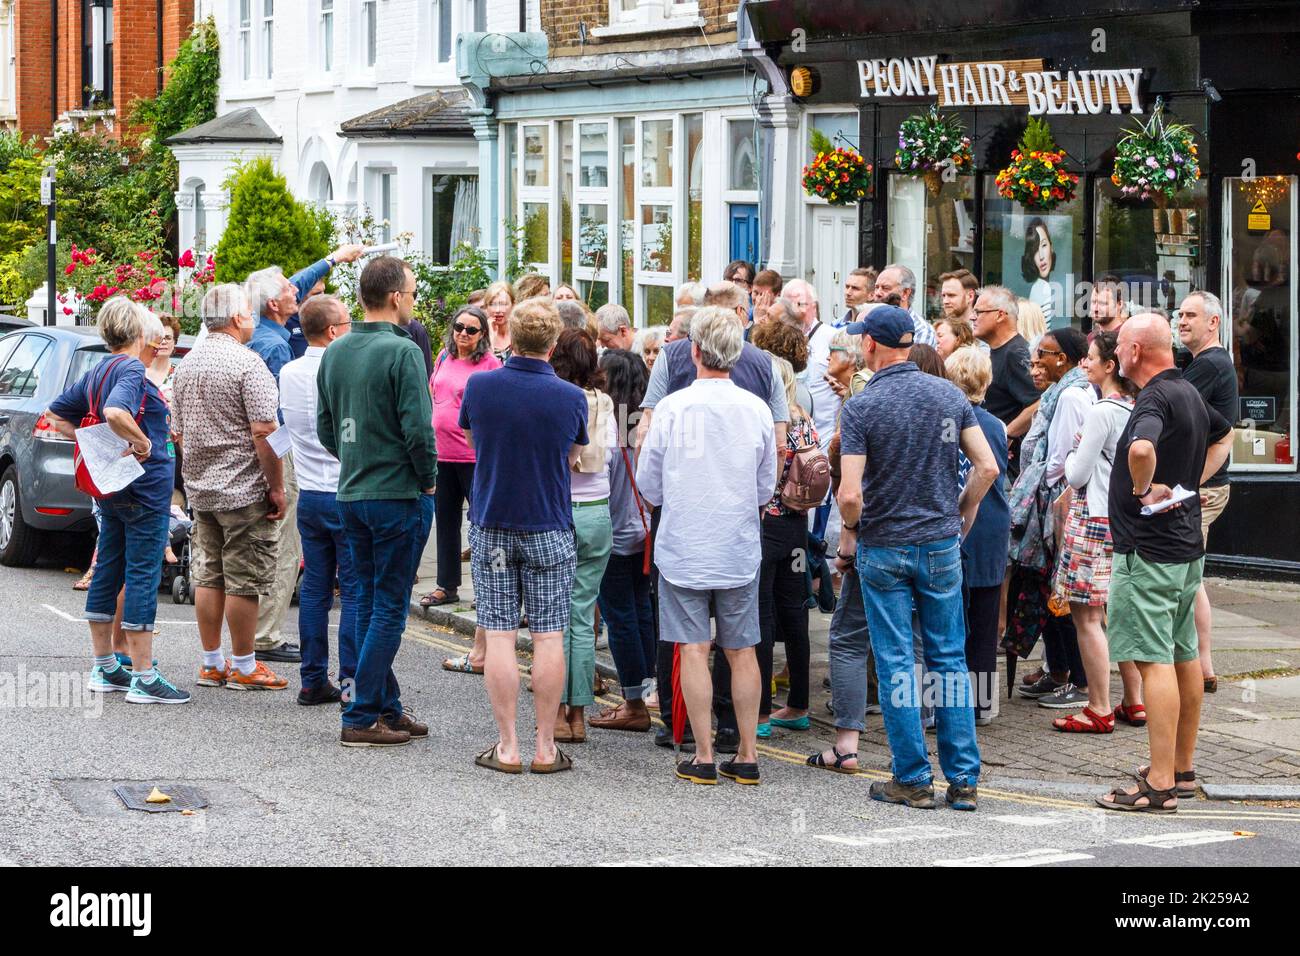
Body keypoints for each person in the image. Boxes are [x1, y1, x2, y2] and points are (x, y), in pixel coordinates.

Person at [819, 305, 998, 809]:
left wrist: (851, 531)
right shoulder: (948, 394)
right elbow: (985, 467)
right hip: (940, 545)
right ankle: (964, 781)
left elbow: (850, 494)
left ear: (871, 346)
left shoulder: (861, 407)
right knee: (950, 659)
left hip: (884, 546)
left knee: (897, 662)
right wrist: (959, 517)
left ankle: (913, 778)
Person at [1096, 314, 1233, 813]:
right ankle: (1181, 767)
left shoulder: (1153, 397)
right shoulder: (1189, 391)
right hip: (1184, 547)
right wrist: (1192, 481)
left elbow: (1140, 447)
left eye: (1121, 346)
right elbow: (1226, 434)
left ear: (1133, 351)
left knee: (1154, 660)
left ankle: (1158, 784)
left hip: (1147, 550)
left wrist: (1139, 489)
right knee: (1184, 655)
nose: (1117, 354)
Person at [640, 300, 789, 752]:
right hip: (738, 546)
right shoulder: (758, 410)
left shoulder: (671, 408)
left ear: (695, 351)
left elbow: (650, 483)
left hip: (684, 543)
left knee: (693, 649)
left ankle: (703, 754)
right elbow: (767, 485)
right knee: (742, 651)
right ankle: (746, 753)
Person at [460, 297, 589, 774]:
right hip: (549, 524)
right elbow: (574, 455)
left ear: (510, 337)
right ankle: (545, 748)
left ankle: (508, 746)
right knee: (549, 636)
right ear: (553, 345)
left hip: (493, 524)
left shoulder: (481, 386)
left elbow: (474, 443)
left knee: (498, 634)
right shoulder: (572, 398)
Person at [317, 256, 438, 748]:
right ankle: (363, 714)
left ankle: (384, 706)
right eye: (411, 292)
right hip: (396, 494)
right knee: (390, 606)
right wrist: (427, 478)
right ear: (394, 297)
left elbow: (327, 427)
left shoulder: (336, 350)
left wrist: (356, 455)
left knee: (364, 601)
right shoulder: (403, 352)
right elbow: (418, 430)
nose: (412, 300)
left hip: (351, 492)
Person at [47, 299, 187, 704]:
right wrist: (140, 441)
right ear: (139, 333)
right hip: (143, 489)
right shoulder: (129, 368)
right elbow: (114, 411)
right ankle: (143, 675)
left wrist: (96, 445)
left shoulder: (99, 369)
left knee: (108, 568)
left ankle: (106, 666)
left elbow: (56, 415)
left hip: (112, 487)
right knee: (142, 574)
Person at [171, 284, 289, 694]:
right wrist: (276, 486)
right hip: (243, 490)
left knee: (208, 574)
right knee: (245, 578)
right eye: (249, 313)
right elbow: (264, 430)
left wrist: (195, 474)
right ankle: (244, 665)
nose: (253, 319)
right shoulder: (248, 364)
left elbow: (178, 433)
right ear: (237, 318)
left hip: (201, 489)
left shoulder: (184, 365)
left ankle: (210, 663)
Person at [1050, 331, 1144, 732]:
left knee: (1087, 618)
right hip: (1125, 519)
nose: (1084, 364)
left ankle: (1099, 707)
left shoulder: (1101, 411)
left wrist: (1074, 448)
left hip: (1092, 519)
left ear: (1110, 366)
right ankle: (1135, 701)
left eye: (1090, 359)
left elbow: (1075, 473)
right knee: (1120, 613)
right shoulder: (1136, 408)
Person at [278, 294, 359, 706]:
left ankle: (311, 681)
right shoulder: (342, 368)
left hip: (309, 493)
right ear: (332, 331)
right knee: (356, 593)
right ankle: (350, 686)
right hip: (344, 493)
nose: (351, 329)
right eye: (347, 323)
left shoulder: (288, 372)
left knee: (314, 592)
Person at [1007, 329, 1094, 709]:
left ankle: (1078, 678)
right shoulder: (1060, 392)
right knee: (1048, 594)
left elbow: (1060, 462)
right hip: (1047, 504)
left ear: (1064, 358)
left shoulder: (1072, 396)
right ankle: (1058, 671)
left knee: (1060, 597)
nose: (1038, 358)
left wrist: (1039, 496)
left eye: (1045, 352)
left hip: (1054, 507)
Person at [547, 329, 615, 743]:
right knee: (582, 617)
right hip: (598, 513)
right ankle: (577, 715)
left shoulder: (556, 397)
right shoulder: (603, 401)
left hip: (561, 510)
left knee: (555, 617)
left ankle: (556, 712)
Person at [590, 349, 655, 732]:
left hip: (613, 536)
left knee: (620, 618)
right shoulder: (644, 428)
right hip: (643, 534)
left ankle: (633, 702)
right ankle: (647, 687)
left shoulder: (606, 433)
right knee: (641, 611)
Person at [244, 265, 306, 665]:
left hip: (253, 451)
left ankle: (252, 632)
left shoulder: (261, 336)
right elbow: (272, 416)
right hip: (277, 449)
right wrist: (280, 475)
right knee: (283, 543)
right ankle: (266, 634)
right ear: (272, 303)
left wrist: (334, 260)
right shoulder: (276, 348)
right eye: (287, 288)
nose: (295, 291)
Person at [422, 305, 502, 615]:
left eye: (470, 330)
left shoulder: (490, 365)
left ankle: (487, 588)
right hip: (441, 454)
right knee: (445, 520)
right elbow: (434, 392)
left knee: (482, 524)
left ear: (482, 334)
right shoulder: (444, 356)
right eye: (458, 327)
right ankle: (447, 585)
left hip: (473, 456)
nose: (462, 334)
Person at [1177, 291, 1238, 694]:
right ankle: (1203, 666)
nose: (1181, 321)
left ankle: (1194, 665)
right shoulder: (1204, 363)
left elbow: (1174, 408)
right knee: (1193, 577)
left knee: (1187, 575)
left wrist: (1189, 484)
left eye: (1190, 315)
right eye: (1179, 314)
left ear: (1213, 322)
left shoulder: (1211, 365)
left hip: (1203, 488)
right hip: (1203, 485)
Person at [945, 347, 1010, 724]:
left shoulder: (949, 422)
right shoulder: (996, 425)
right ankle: (982, 705)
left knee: (952, 619)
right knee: (984, 620)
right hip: (993, 524)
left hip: (961, 521)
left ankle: (948, 704)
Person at [759, 357, 818, 736]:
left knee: (760, 615)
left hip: (766, 527)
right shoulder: (806, 421)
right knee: (795, 615)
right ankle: (798, 704)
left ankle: (760, 712)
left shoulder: (765, 420)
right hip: (798, 527)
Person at [973, 285, 1040, 459]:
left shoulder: (1015, 353)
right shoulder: (999, 350)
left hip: (1009, 465)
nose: (973, 317)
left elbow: (1038, 403)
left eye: (979, 312)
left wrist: (1006, 436)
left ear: (1000, 315)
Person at [781, 279, 838, 451]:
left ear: (814, 306)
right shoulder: (778, 340)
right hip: (788, 439)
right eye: (789, 304)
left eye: (800, 303)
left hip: (823, 440)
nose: (795, 310)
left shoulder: (832, 338)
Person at [872, 263, 939, 347]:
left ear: (905, 293)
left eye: (885, 288)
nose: (878, 293)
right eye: (876, 287)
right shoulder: (869, 321)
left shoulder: (921, 331)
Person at [1022, 218, 1059, 325]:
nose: (1041, 256)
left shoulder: (1045, 286)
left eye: (1043, 245)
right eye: (1035, 251)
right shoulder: (1042, 287)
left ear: (1051, 247)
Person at [483, 280, 515, 360]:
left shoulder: (521, 334)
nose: (497, 310)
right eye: (492, 304)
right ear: (486, 307)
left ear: (513, 305)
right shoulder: (478, 335)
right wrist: (490, 338)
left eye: (503, 304)